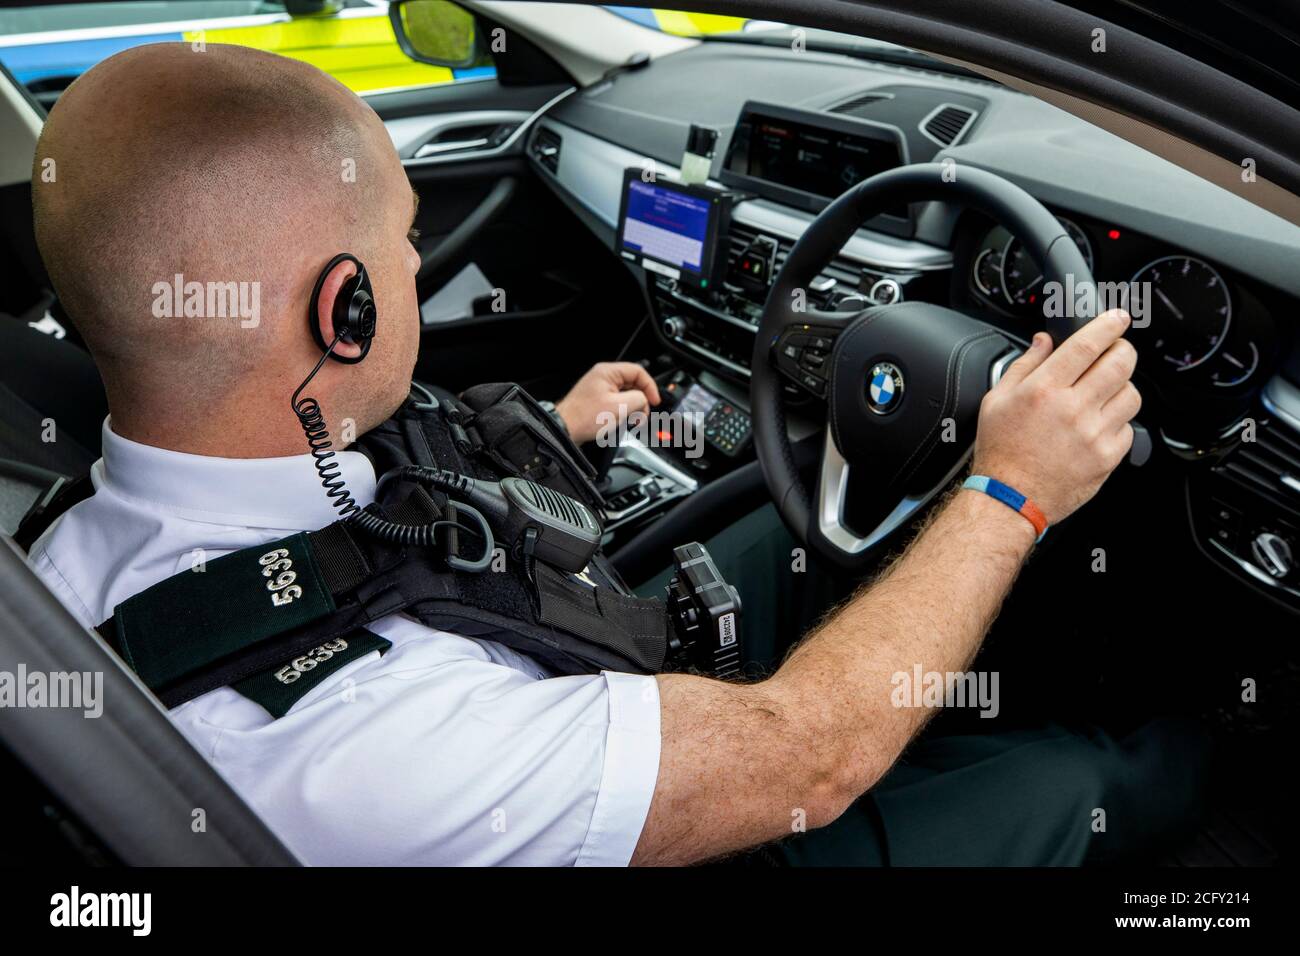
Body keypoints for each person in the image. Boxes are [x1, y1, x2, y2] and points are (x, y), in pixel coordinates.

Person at [26, 43, 1205, 866]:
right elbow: (814, 757)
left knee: (794, 537)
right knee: (1072, 785)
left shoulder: (70, 543)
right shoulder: (375, 754)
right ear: (343, 313)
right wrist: (1010, 488)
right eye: (399, 241)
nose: (412, 264)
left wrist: (552, 422)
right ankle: (1188, 758)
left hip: (534, 658)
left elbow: (369, 532)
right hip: (666, 823)